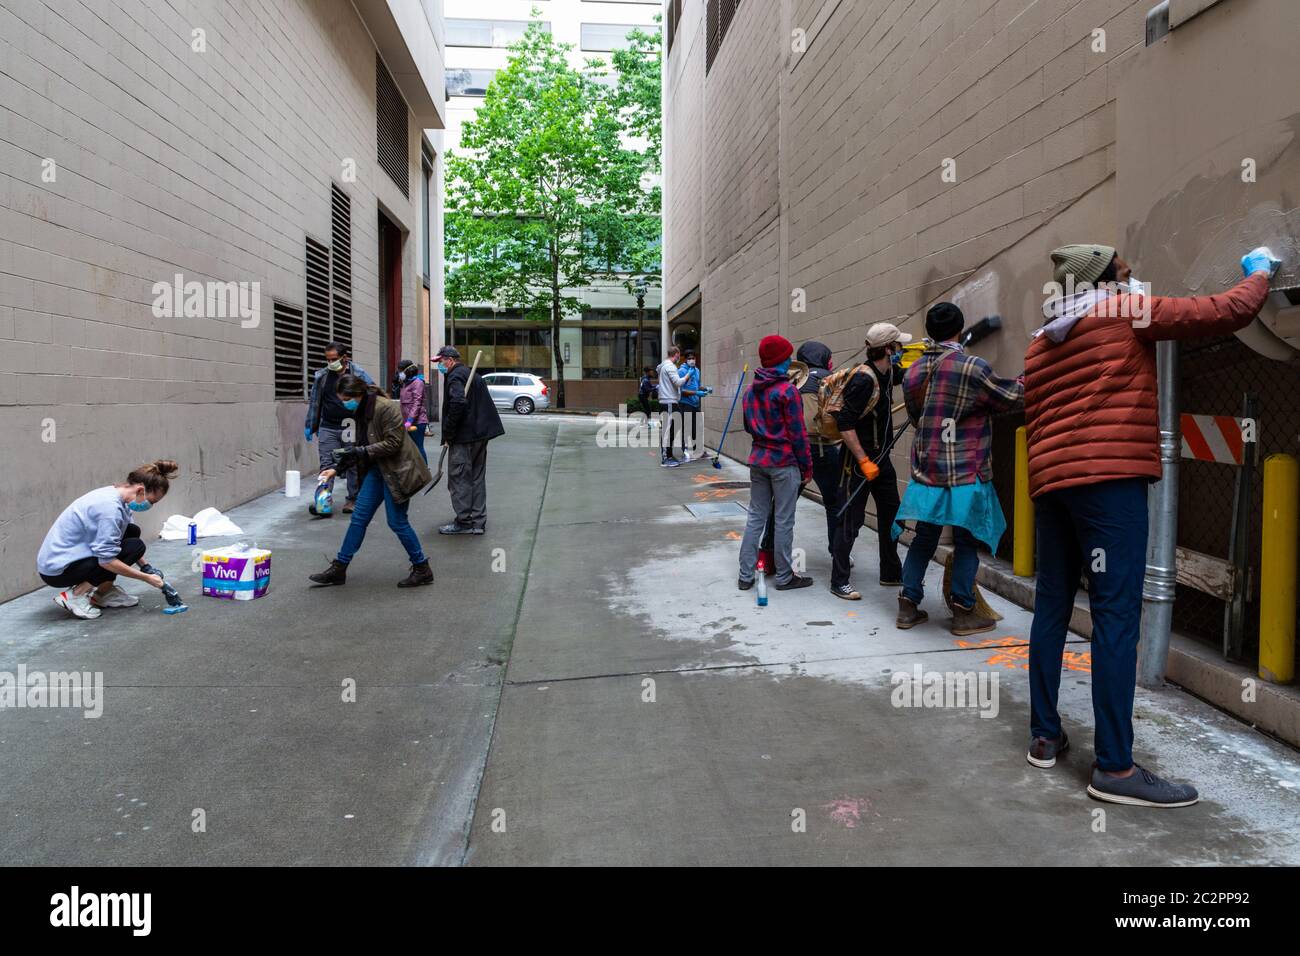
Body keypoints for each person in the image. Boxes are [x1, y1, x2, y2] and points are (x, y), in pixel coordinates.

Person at [1022, 243, 1277, 808]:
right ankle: (1113, 768)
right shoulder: (1122, 315)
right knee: (1115, 616)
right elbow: (1223, 311)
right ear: (1103, 280)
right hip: (1108, 488)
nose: (1133, 277)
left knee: (1053, 607)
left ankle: (1044, 736)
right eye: (1124, 272)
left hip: (1053, 490)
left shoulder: (1040, 342)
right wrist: (1259, 274)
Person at [893, 302, 1023, 634]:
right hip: (967, 470)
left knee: (924, 537)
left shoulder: (913, 372)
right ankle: (964, 611)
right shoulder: (971, 367)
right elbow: (1011, 398)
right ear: (959, 326)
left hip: (929, 470)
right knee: (967, 540)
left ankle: (908, 605)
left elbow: (915, 417)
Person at [308, 374, 434, 587]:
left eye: (345, 399)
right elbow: (358, 448)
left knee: (397, 522)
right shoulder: (359, 411)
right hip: (376, 471)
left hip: (396, 471)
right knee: (359, 518)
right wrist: (335, 469)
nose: (343, 404)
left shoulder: (385, 408)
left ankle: (422, 568)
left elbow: (394, 443)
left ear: (357, 394)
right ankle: (340, 568)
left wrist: (359, 451)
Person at [36, 460, 179, 619]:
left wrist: (146, 567)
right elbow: (106, 560)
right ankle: (75, 595)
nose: (151, 505)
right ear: (140, 490)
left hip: (70, 556)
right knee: (134, 547)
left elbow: (121, 538)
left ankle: (104, 592)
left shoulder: (119, 495)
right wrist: (147, 579)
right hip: (58, 570)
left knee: (132, 532)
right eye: (152, 501)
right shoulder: (110, 509)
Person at [829, 323, 909, 600]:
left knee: (891, 514)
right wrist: (863, 461)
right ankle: (839, 581)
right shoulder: (864, 379)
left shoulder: (887, 373)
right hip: (857, 462)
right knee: (851, 520)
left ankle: (890, 572)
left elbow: (906, 375)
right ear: (888, 349)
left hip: (881, 457)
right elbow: (845, 423)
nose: (901, 351)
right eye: (898, 346)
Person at [737, 335, 814, 592]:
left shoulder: (750, 392)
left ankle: (745, 575)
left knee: (755, 518)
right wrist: (807, 466)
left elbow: (749, 426)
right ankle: (784, 576)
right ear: (780, 361)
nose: (790, 361)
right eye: (787, 357)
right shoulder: (788, 392)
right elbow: (798, 434)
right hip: (783, 463)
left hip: (758, 460)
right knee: (783, 520)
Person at [435, 345, 505, 535]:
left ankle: (465, 522)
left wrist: (448, 433)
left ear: (449, 360)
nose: (439, 366)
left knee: (459, 479)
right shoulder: (472, 375)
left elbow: (458, 402)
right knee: (475, 477)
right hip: (479, 436)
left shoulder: (456, 376)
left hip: (464, 438)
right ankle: (477, 521)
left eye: (440, 362)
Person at [305, 343, 374, 514]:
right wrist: (311, 425)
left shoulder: (358, 374)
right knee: (326, 465)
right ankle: (323, 502)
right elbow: (315, 402)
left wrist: (367, 423)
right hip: (328, 425)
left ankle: (353, 500)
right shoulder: (323, 376)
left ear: (345, 357)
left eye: (334, 359)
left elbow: (372, 393)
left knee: (353, 464)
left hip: (350, 425)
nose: (330, 363)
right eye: (328, 359)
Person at [794, 341, 842, 556]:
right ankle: (838, 551)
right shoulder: (830, 379)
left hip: (795, 450)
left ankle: (769, 552)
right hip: (824, 448)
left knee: (782, 507)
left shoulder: (793, 379)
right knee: (835, 504)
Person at [655, 346, 690, 466]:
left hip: (669, 401)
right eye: (679, 355)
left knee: (672, 428)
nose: (679, 358)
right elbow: (678, 382)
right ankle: (666, 458)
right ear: (676, 354)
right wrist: (687, 376)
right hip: (668, 402)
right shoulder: (670, 366)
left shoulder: (664, 366)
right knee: (668, 430)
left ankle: (669, 455)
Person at [397, 360, 430, 462]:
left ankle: (425, 471)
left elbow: (417, 403)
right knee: (409, 448)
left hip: (417, 422)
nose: (399, 373)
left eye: (401, 371)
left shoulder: (418, 383)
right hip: (407, 422)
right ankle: (415, 472)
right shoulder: (405, 383)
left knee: (418, 447)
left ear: (407, 370)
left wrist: (410, 420)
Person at [678, 351, 702, 461]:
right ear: (685, 359)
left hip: (695, 403)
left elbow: (697, 386)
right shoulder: (681, 371)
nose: (692, 360)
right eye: (690, 358)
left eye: (694, 358)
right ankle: (685, 450)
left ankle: (697, 450)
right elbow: (681, 391)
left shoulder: (697, 370)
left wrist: (704, 390)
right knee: (686, 427)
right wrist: (696, 393)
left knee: (696, 427)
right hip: (685, 403)